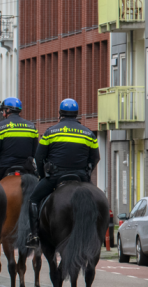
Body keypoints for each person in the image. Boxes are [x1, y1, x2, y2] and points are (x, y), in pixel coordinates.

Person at [26, 98, 99, 246]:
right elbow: (95, 158)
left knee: (33, 200)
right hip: (80, 177)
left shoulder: (50, 132)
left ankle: (34, 236)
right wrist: (87, 174)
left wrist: (42, 175)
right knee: (97, 200)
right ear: (77, 114)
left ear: (60, 113)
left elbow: (39, 157)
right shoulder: (88, 133)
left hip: (55, 177)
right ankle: (97, 235)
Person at [0, 97, 38, 182]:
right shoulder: (32, 127)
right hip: (26, 168)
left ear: (8, 110)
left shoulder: (0, 127)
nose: (3, 113)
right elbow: (35, 151)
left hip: (4, 168)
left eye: (3, 110)